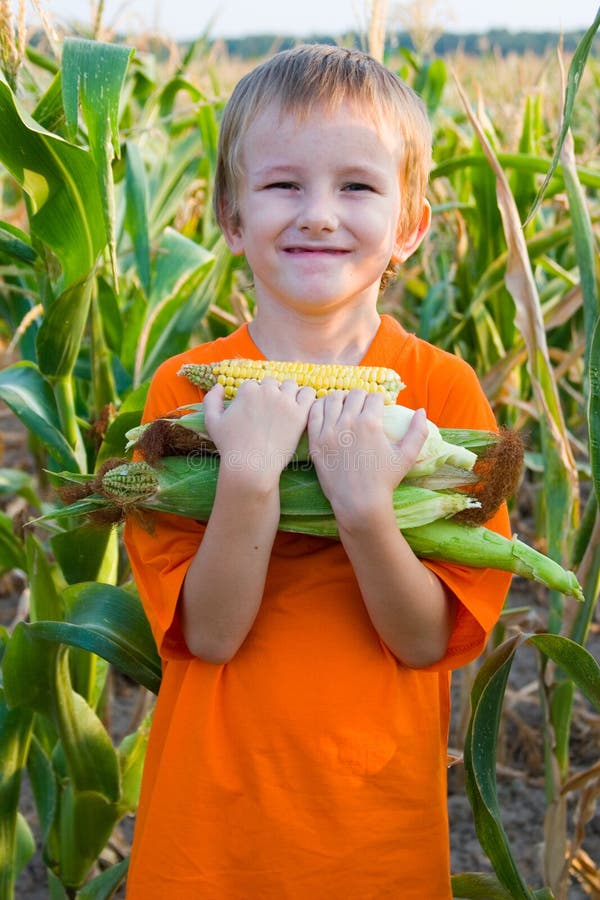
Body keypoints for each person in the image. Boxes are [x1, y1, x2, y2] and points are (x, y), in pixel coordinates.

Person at [123, 43, 512, 899]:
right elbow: (213, 635)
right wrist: (250, 479)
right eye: (283, 185)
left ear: (410, 225)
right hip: (212, 835)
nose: (320, 215)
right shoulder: (185, 395)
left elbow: (421, 641)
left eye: (358, 187)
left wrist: (367, 511)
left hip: (371, 835)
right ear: (230, 214)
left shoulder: (441, 395)